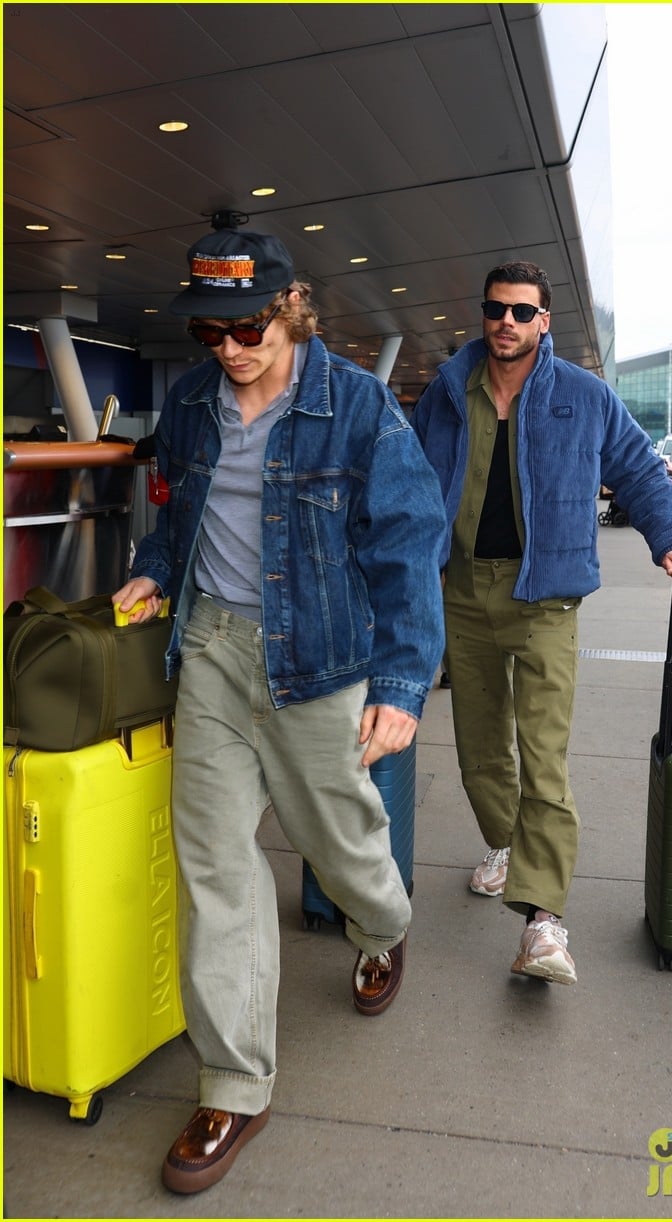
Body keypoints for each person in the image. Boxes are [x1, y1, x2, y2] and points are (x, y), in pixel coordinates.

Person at [113, 223, 446, 1194]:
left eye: (247, 326)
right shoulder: (190, 404)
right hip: (212, 655)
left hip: (322, 661)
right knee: (214, 866)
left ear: (293, 306)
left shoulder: (357, 407)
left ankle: (384, 927)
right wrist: (152, 571)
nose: (230, 349)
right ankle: (234, 1085)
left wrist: (398, 684)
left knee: (345, 851)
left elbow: (409, 544)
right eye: (211, 332)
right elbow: (174, 510)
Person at [412, 260, 672, 988]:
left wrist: (670, 536)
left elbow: (638, 470)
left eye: (520, 312)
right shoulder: (449, 392)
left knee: (540, 753)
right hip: (463, 591)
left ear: (544, 322)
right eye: (494, 309)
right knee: (480, 754)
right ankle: (506, 847)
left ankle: (541, 920)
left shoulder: (582, 396)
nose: (504, 322)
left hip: (546, 598)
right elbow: (406, 479)